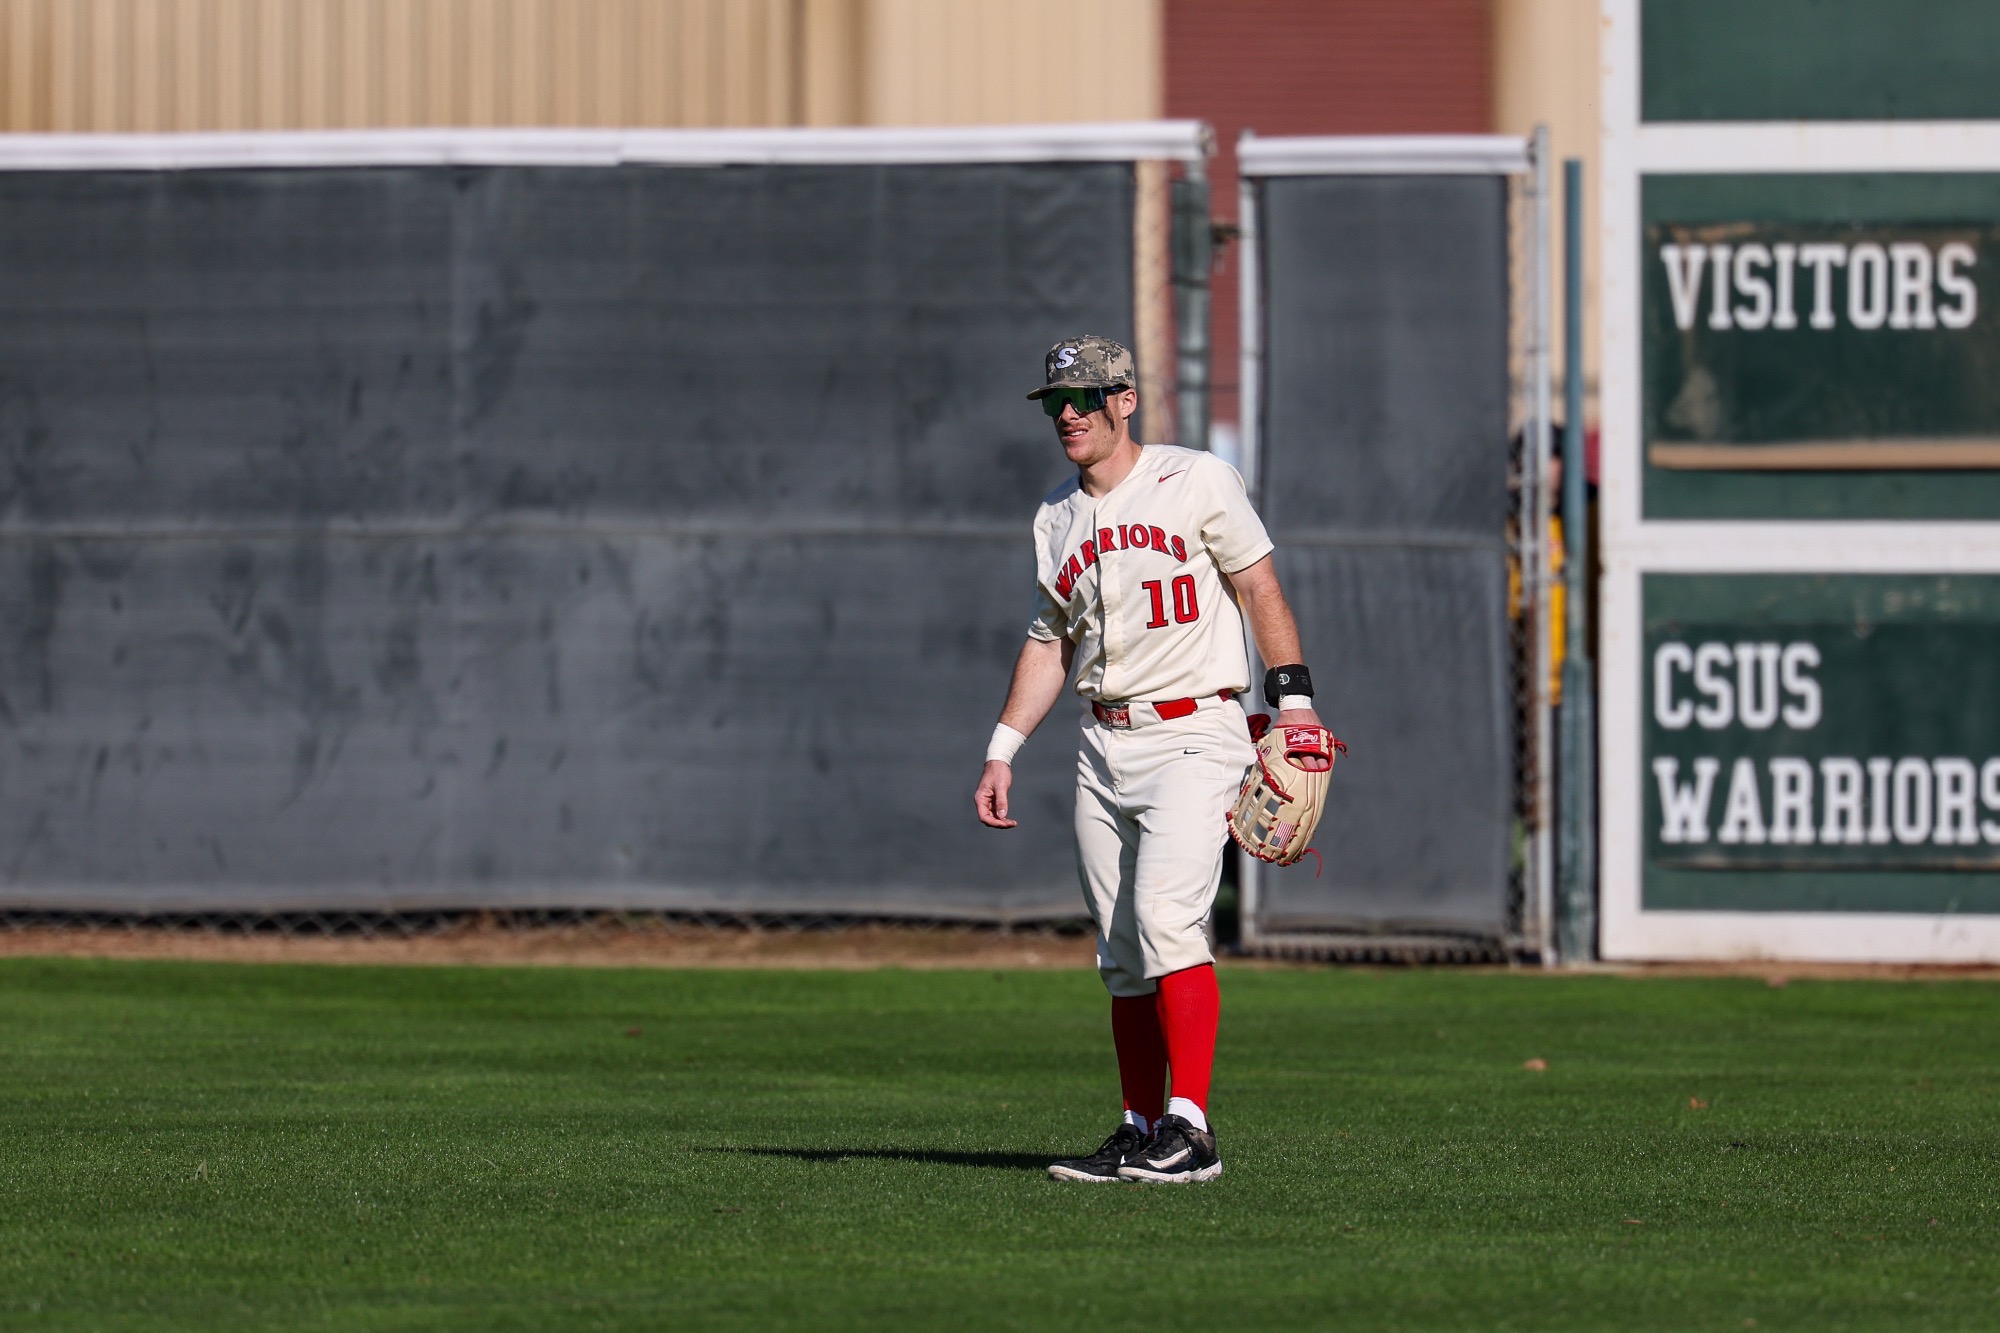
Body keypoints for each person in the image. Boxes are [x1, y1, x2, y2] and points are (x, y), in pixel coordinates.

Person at [974, 335, 1326, 1184]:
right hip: (1103, 740)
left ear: (1124, 400)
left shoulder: (1196, 477)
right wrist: (1002, 749)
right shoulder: (1056, 515)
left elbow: (1259, 586)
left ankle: (1193, 1129)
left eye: (1085, 397)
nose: (1068, 413)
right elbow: (1049, 640)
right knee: (1121, 947)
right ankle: (1137, 1125)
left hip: (1197, 730)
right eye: (1057, 400)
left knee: (1169, 920)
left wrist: (1297, 703)